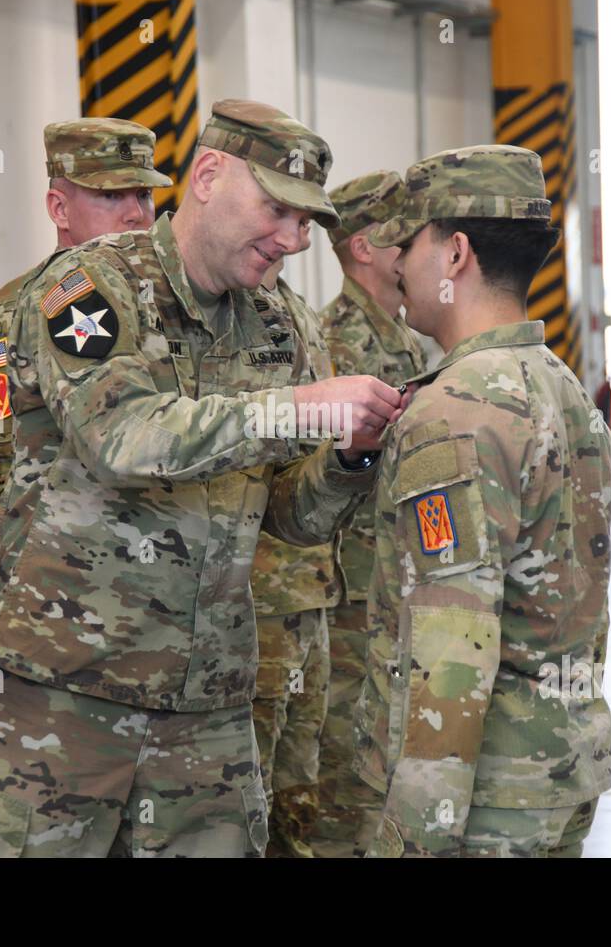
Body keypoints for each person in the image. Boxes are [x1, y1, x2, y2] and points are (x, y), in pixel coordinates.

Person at [0, 99, 407, 858]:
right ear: (210, 176)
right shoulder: (91, 289)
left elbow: (288, 512)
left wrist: (348, 456)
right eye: (278, 210)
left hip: (207, 707)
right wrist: (296, 409)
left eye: (305, 224)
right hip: (62, 695)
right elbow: (122, 436)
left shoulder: (281, 322)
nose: (291, 240)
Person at [353, 145, 611, 857]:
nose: (398, 264)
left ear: (456, 252)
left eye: (409, 243)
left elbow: (452, 652)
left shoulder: (453, 410)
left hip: (482, 801)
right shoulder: (563, 388)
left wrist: (415, 836)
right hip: (558, 769)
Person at [0, 118, 169, 542]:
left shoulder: (172, 307)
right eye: (110, 196)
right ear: (59, 209)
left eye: (144, 195)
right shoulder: (8, 320)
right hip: (69, 590)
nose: (136, 215)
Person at [312, 169, 426, 857]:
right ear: (361, 247)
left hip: (393, 578)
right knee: (346, 768)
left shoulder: (405, 337)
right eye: (398, 233)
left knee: (389, 756)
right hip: (349, 590)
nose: (413, 245)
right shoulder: (333, 341)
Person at [249, 254, 337, 858]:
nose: (293, 236)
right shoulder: (216, 314)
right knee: (250, 788)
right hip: (258, 596)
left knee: (299, 784)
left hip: (309, 585)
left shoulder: (295, 311)